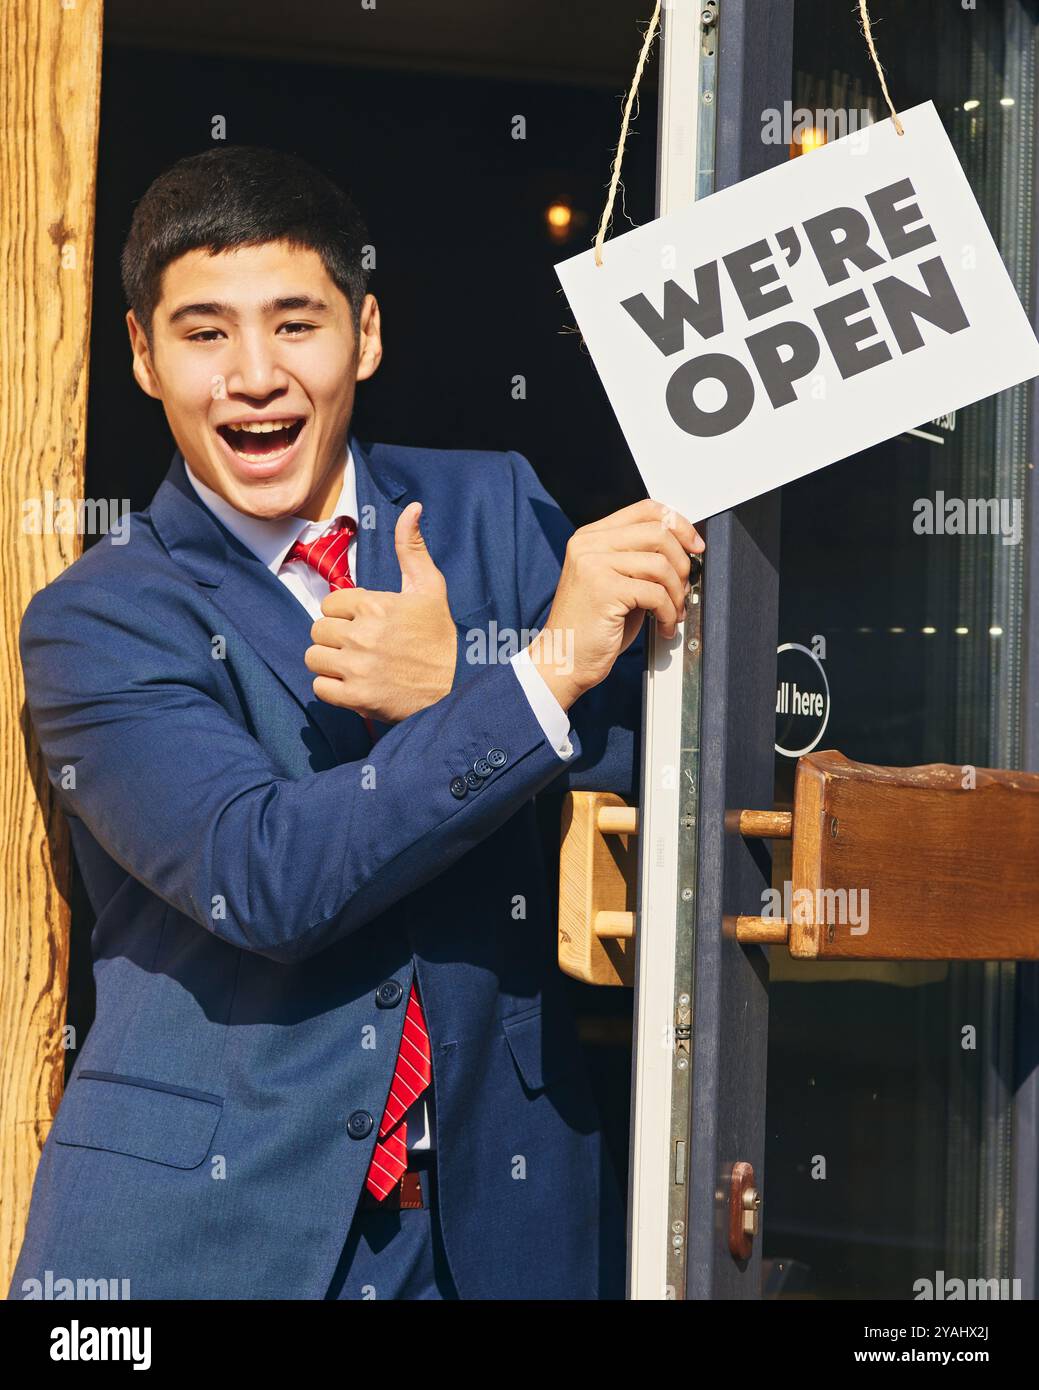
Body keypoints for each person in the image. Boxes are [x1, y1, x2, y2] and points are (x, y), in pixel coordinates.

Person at [9, 145, 703, 1301]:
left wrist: (464, 692)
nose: (254, 375)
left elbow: (663, 770)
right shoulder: (96, 617)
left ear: (365, 335)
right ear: (140, 356)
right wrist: (518, 686)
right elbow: (266, 874)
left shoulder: (495, 509)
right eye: (203, 333)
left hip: (498, 1216)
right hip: (202, 1232)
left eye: (295, 323)